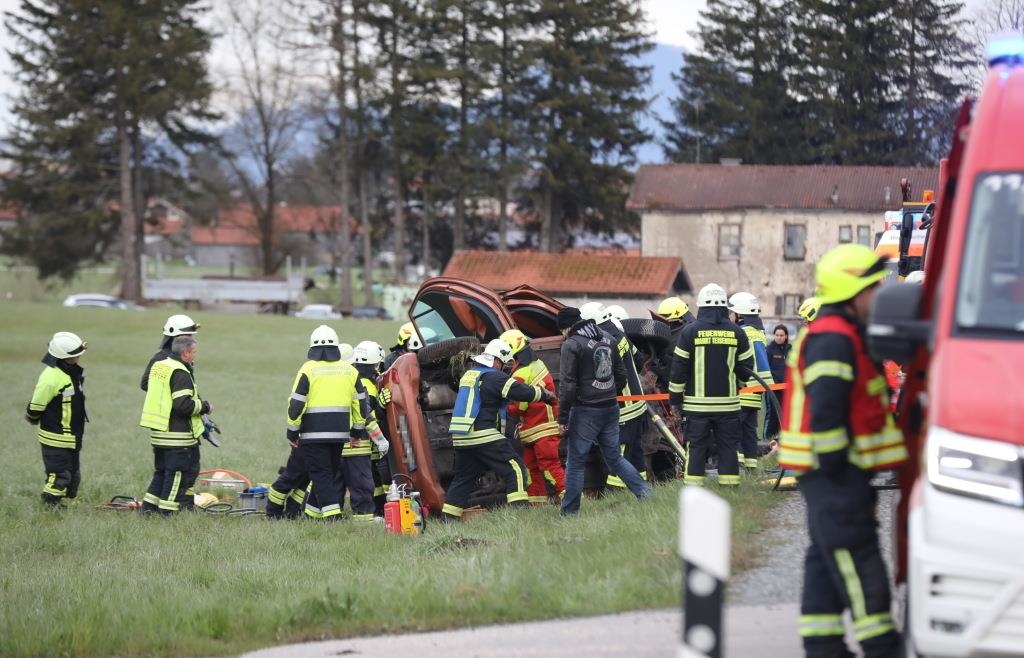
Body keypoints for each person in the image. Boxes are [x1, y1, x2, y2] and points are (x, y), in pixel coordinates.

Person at [778, 244, 907, 657]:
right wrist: (841, 471)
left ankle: (823, 646)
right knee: (859, 562)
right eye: (873, 287)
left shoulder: (842, 333)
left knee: (824, 560)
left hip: (835, 473)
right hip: (835, 473)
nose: (879, 294)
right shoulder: (833, 338)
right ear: (853, 292)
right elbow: (828, 412)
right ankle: (882, 647)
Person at [442, 339, 556, 520]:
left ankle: (448, 519)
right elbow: (520, 391)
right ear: (496, 360)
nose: (503, 367)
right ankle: (520, 515)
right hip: (483, 434)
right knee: (516, 469)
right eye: (503, 363)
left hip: (461, 437)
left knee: (463, 478)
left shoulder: (470, 375)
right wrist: (544, 394)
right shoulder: (494, 376)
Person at [557, 307, 651, 516]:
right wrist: (609, 392)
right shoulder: (608, 337)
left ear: (566, 328)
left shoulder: (571, 345)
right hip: (610, 407)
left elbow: (568, 385)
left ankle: (569, 513)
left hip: (585, 410)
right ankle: (645, 492)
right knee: (615, 457)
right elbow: (621, 374)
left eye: (562, 331)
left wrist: (563, 417)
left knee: (575, 463)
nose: (563, 335)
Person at [286, 325, 380, 521]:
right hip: (340, 435)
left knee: (321, 476)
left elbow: (296, 404)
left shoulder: (307, 369)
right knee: (327, 474)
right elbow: (361, 404)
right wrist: (356, 430)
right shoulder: (349, 370)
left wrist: (292, 432)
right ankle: (312, 515)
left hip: (312, 435)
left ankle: (332, 516)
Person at [667, 284, 753, 488]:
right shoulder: (737, 333)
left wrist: (675, 401)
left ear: (701, 307)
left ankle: (694, 489)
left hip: (698, 408)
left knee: (696, 448)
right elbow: (746, 367)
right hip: (728, 406)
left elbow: (678, 370)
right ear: (725, 306)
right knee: (728, 448)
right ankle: (730, 487)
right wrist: (738, 384)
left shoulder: (689, 332)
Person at [140, 334, 211, 514]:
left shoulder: (160, 366)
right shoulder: (180, 372)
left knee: (161, 474)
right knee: (176, 476)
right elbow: (183, 405)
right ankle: (167, 514)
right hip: (177, 437)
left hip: (159, 433)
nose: (195, 355)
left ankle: (148, 510)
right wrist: (205, 406)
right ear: (186, 353)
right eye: (194, 352)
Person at [587, 303, 650, 487]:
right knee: (636, 453)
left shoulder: (601, 345)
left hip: (624, 411)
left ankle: (615, 493)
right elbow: (639, 360)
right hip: (639, 406)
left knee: (617, 456)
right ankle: (642, 491)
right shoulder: (620, 335)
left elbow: (606, 381)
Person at [500, 329, 564, 504]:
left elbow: (519, 404)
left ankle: (570, 498)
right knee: (531, 467)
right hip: (534, 429)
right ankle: (537, 501)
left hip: (540, 427)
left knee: (548, 466)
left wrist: (508, 411)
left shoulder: (521, 372)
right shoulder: (537, 363)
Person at [26, 331, 89, 506]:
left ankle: (63, 503)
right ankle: (49, 506)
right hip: (56, 436)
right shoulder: (51, 377)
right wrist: (32, 416)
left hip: (71, 436)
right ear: (64, 356)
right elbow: (37, 404)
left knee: (73, 474)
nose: (78, 356)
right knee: (59, 475)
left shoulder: (70, 372)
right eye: (75, 354)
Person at [338, 340, 390, 522]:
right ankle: (370, 515)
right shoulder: (365, 385)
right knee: (366, 481)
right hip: (360, 442)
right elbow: (367, 414)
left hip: (345, 442)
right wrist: (383, 409)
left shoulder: (352, 379)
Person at [728, 292, 774, 471]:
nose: (730, 316)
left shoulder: (741, 332)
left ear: (739, 314)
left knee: (734, 433)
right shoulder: (758, 332)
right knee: (749, 433)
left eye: (732, 313)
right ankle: (751, 467)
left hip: (743, 389)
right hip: (756, 392)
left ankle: (737, 468)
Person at [141, 314, 200, 391]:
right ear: (175, 336)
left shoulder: (183, 356)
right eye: (188, 335)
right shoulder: (160, 359)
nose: (191, 338)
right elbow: (145, 384)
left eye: (191, 335)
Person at [764, 324, 791, 438]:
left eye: (781, 335)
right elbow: (766, 368)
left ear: (786, 336)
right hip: (772, 389)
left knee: (787, 414)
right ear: (774, 336)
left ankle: (782, 439)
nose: (779, 337)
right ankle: (767, 438)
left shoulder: (790, 349)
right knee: (773, 415)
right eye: (777, 335)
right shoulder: (769, 350)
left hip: (787, 389)